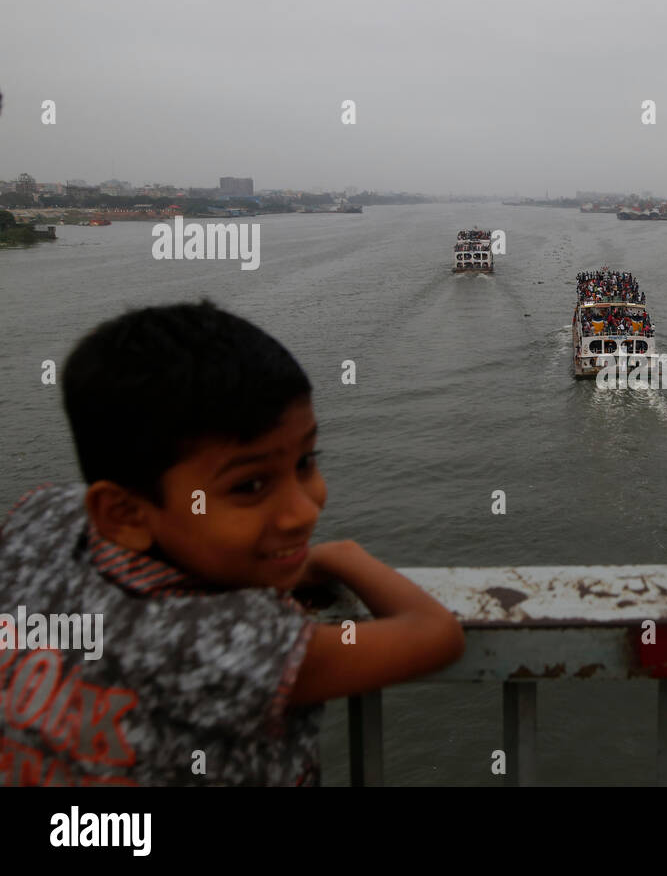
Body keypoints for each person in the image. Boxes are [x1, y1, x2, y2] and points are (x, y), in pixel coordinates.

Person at [0, 300, 465, 786]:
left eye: (307, 460)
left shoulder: (42, 514)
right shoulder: (226, 641)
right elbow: (434, 635)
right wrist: (341, 556)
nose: (307, 509)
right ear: (125, 513)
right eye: (249, 486)